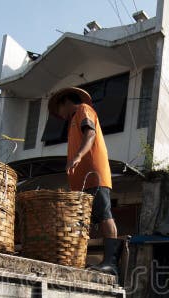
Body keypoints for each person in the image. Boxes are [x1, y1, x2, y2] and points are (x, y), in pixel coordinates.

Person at [48, 86, 121, 276]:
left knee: (105, 215)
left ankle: (111, 263)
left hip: (94, 175)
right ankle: (79, 259)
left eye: (59, 110)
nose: (59, 115)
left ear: (65, 102)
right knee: (84, 222)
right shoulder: (72, 121)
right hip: (82, 182)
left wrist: (78, 156)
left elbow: (90, 134)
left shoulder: (83, 110)